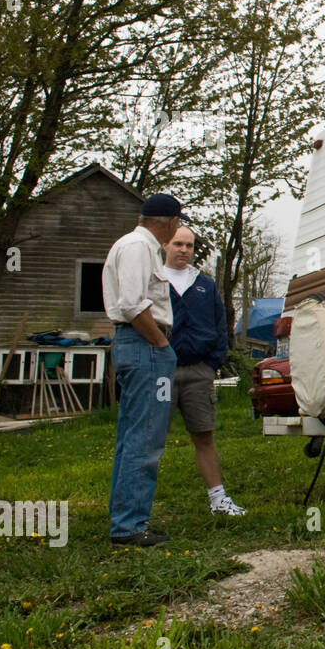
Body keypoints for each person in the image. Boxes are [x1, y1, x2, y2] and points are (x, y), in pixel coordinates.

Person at [102, 194, 185, 545]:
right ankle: (130, 527)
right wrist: (161, 345)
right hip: (146, 347)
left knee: (131, 436)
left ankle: (125, 518)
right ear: (168, 222)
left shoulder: (134, 244)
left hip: (134, 346)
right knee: (146, 437)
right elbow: (133, 304)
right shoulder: (139, 247)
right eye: (177, 222)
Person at [162, 224, 245, 516]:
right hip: (161, 370)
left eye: (189, 245)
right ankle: (136, 508)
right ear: (165, 246)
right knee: (150, 438)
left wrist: (212, 364)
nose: (184, 250)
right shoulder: (154, 280)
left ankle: (219, 500)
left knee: (204, 436)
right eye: (177, 244)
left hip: (199, 371)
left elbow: (221, 325)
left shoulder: (205, 284)